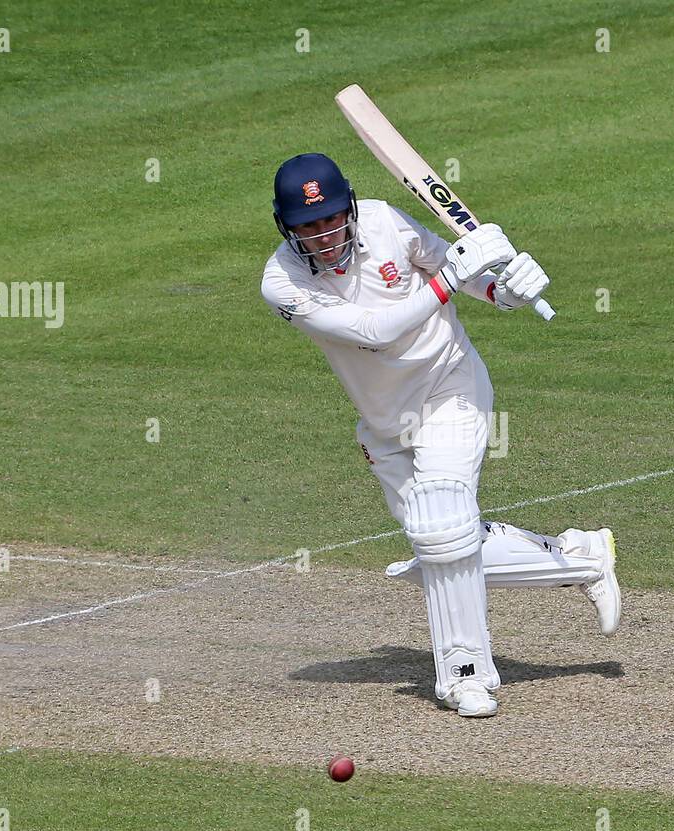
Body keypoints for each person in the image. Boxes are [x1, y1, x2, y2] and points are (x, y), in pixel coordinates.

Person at [260, 153, 620, 717]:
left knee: (441, 524)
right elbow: (374, 333)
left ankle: (467, 675)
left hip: (450, 388)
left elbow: (459, 269)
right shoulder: (281, 282)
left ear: (349, 209)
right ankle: (580, 556)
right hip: (384, 422)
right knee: (443, 544)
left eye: (331, 218)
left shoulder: (385, 222)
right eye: (308, 226)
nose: (324, 233)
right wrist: (455, 276)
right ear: (287, 228)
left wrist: (506, 290)